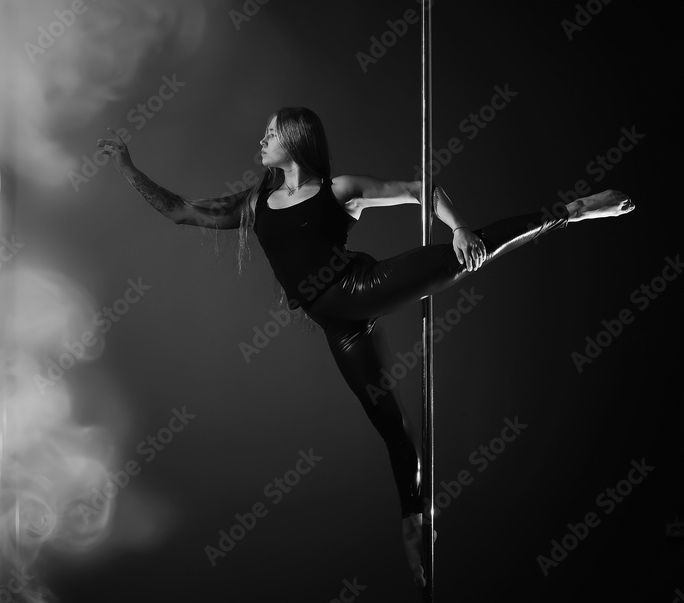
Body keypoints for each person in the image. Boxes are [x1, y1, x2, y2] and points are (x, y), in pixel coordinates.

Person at [96, 106, 634, 586]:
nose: (262, 140)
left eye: (271, 132)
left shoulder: (339, 191)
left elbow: (421, 189)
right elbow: (180, 211)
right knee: (391, 426)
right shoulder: (256, 203)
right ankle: (415, 523)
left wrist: (458, 227)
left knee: (473, 252)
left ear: (297, 138)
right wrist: (127, 167)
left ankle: (576, 208)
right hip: (339, 325)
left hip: (362, 287)